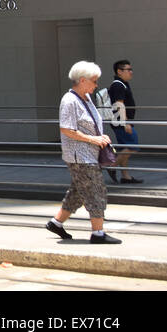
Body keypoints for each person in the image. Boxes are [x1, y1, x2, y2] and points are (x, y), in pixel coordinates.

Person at [47, 60, 120, 244]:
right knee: (96, 191)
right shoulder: (70, 100)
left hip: (88, 155)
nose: (96, 85)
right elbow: (67, 129)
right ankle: (98, 233)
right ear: (82, 80)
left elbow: (89, 124)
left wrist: (100, 136)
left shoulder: (85, 98)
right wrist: (94, 139)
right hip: (80, 156)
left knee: (79, 191)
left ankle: (56, 223)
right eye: (94, 81)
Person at [107, 60, 141, 184]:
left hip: (119, 122)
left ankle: (125, 177)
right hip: (121, 122)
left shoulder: (122, 84)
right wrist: (126, 123)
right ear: (119, 71)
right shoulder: (118, 85)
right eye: (128, 69)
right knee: (133, 145)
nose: (131, 72)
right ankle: (112, 166)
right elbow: (119, 104)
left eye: (131, 69)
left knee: (124, 148)